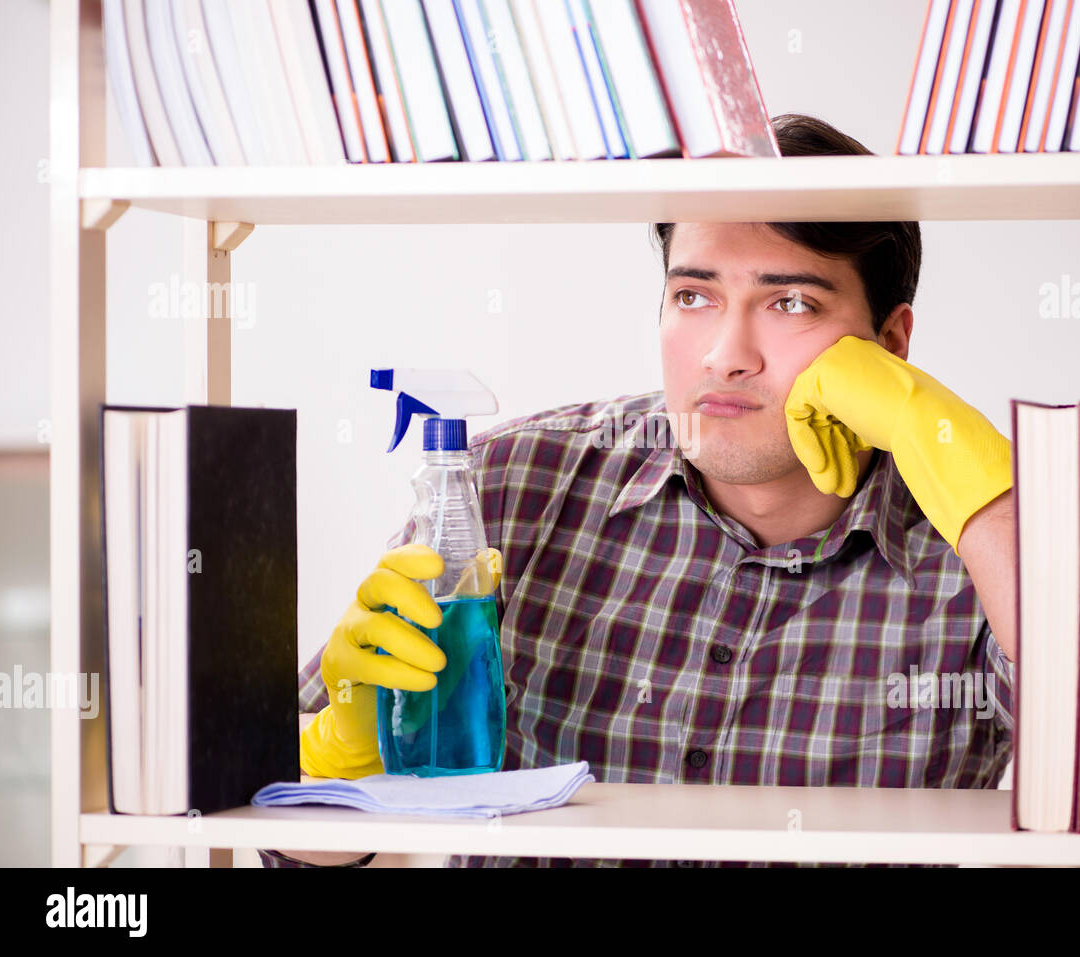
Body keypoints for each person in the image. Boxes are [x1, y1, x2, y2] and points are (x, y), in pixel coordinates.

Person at [259, 113, 1018, 868]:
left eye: (791, 302)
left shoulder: (984, 552)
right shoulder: (505, 489)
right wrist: (338, 772)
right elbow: (279, 832)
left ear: (889, 345)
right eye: (694, 296)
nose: (726, 356)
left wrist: (961, 461)